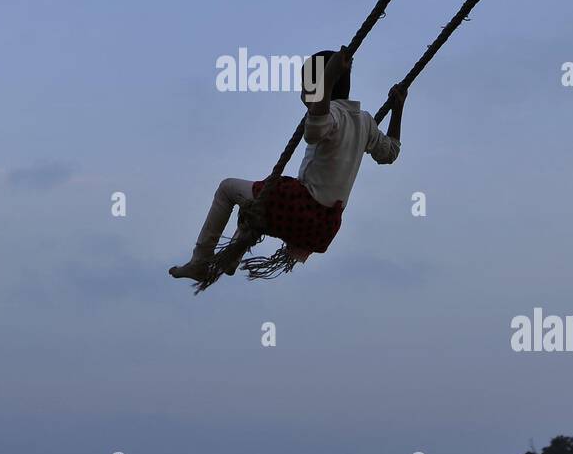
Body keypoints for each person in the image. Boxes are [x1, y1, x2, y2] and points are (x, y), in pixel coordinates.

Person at [169, 45, 406, 283]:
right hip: (325, 228)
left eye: (305, 85)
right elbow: (390, 152)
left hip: (300, 209)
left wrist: (327, 80)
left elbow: (314, 130)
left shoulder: (331, 113)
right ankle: (232, 256)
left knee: (228, 189)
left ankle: (200, 261)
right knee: (256, 200)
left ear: (319, 88)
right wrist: (397, 110)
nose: (301, 91)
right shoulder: (365, 122)